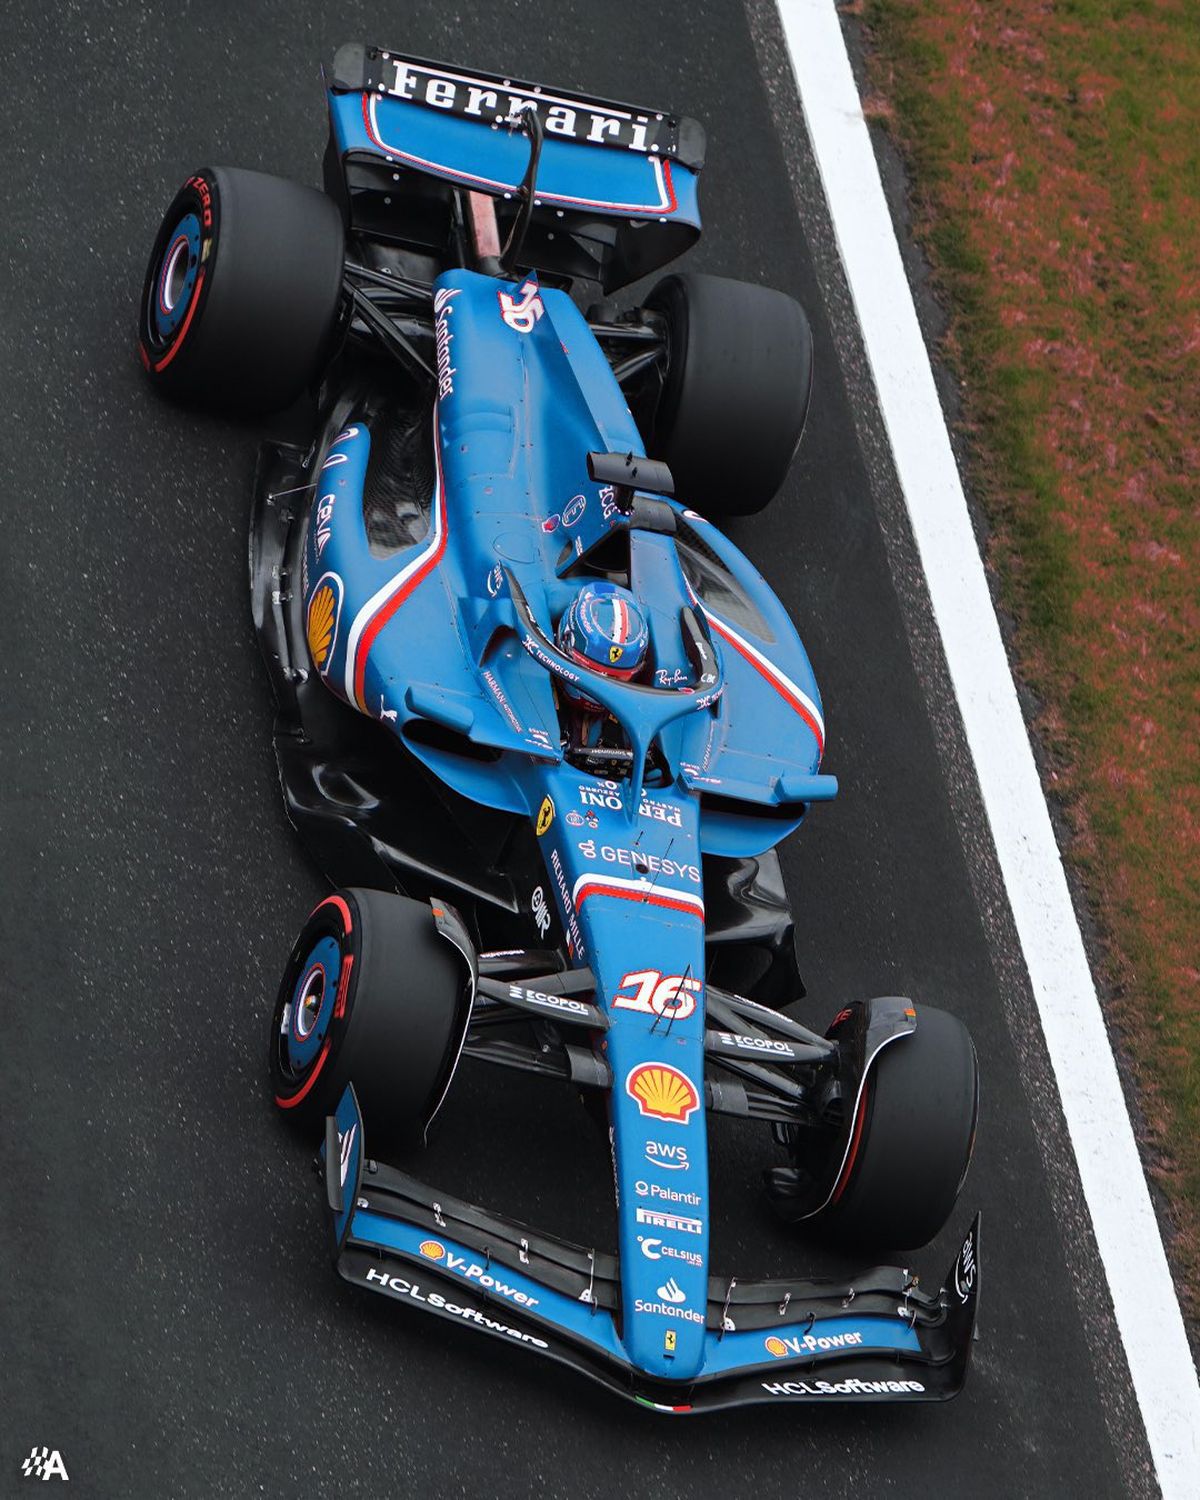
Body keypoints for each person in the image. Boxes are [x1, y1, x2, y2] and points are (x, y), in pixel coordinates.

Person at [555, 581, 649, 756]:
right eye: (593, 672)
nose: (600, 686)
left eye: (616, 678)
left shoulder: (634, 728)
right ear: (564, 644)